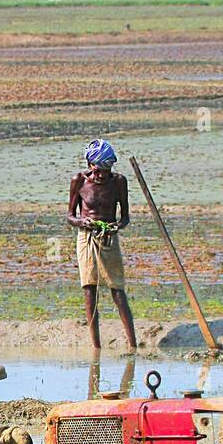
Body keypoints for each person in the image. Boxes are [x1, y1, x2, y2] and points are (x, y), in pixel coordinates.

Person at [68, 138, 138, 352]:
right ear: (90, 166)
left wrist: (116, 227)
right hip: (86, 236)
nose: (100, 176)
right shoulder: (79, 181)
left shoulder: (118, 182)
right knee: (90, 289)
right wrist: (83, 222)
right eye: (97, 171)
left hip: (108, 237)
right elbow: (70, 215)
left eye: (105, 171)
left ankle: (132, 344)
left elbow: (125, 217)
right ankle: (96, 345)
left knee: (117, 289)